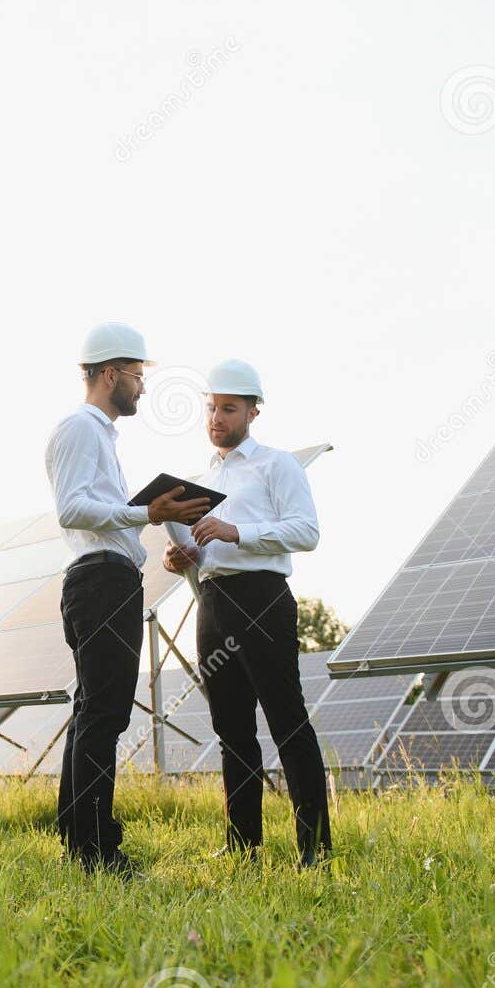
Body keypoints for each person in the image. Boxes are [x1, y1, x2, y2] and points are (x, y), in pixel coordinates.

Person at [46, 321, 211, 875]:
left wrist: (151, 518)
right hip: (100, 583)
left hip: (105, 581)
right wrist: (147, 512)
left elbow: (99, 512)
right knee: (105, 715)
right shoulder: (80, 428)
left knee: (92, 711)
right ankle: (96, 850)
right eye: (138, 376)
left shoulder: (99, 436)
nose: (143, 387)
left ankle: (78, 839)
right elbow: (71, 509)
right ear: (112, 374)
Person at [162, 359, 329, 866]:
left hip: (262, 599)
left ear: (253, 412)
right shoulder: (200, 482)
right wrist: (182, 558)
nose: (217, 418)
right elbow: (204, 550)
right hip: (212, 604)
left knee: (287, 722)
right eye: (212, 408)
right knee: (230, 729)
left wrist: (239, 532)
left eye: (229, 409)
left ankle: (315, 850)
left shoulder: (278, 465)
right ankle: (243, 848)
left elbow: (307, 532)